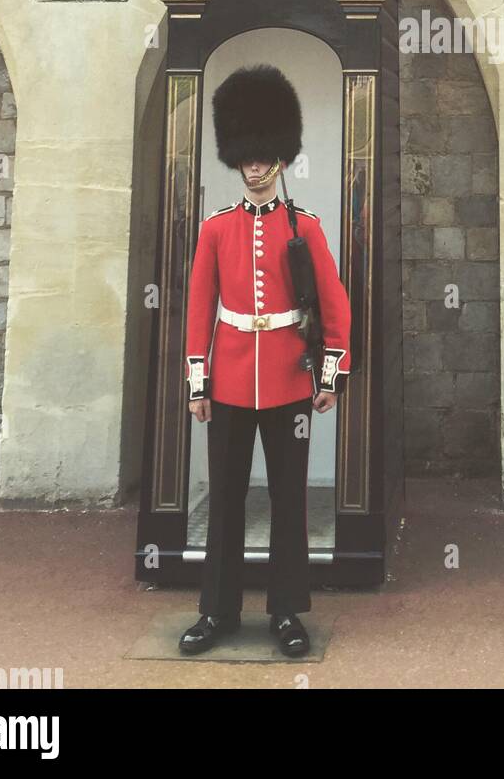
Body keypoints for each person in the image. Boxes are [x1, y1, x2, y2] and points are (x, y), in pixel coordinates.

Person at [178, 65, 351, 658]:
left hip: (288, 381)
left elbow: (334, 307)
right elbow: (199, 311)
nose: (254, 168)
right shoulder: (216, 229)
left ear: (279, 158)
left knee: (288, 500)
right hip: (228, 382)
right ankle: (217, 610)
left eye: (263, 158)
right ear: (237, 159)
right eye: (246, 159)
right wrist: (197, 383)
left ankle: (286, 611)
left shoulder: (307, 228)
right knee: (226, 499)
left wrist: (329, 376)